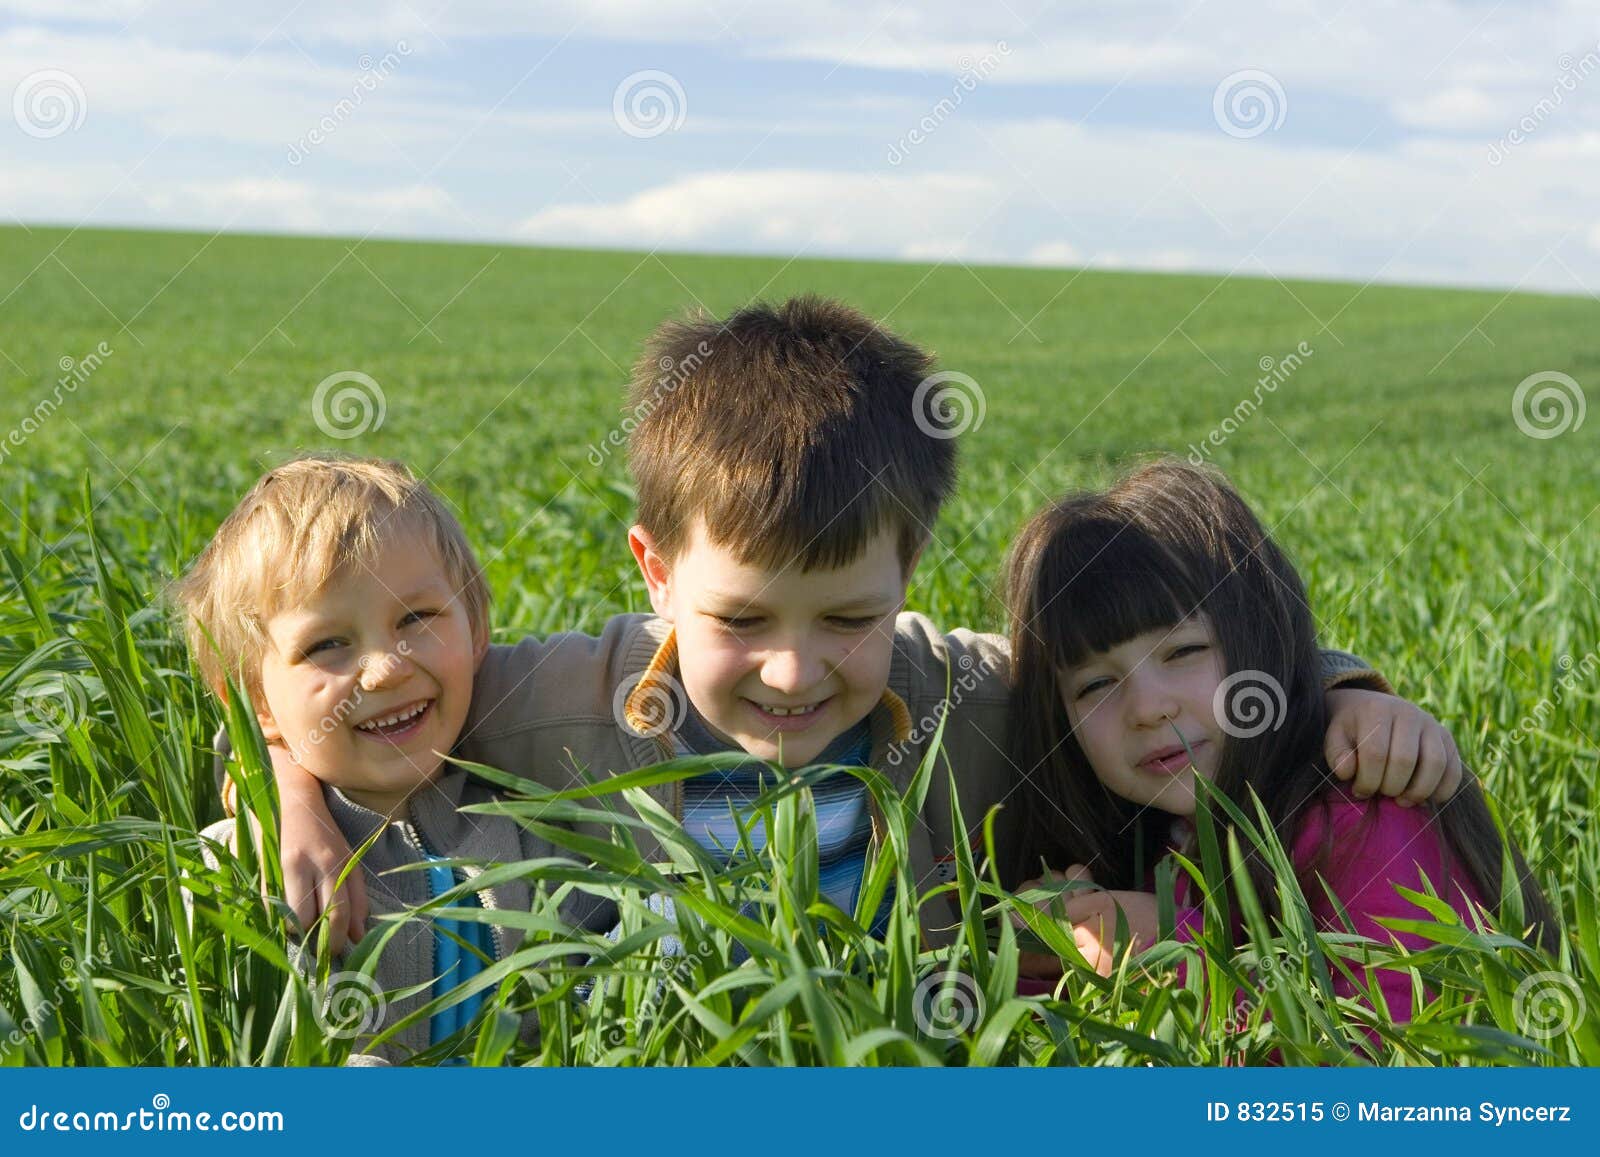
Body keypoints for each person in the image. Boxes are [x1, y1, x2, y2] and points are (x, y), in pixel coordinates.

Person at [249, 298, 1467, 957]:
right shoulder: (565, 696)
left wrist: (1347, 688)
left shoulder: (960, 694)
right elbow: (362, 696)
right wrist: (289, 787)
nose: (793, 668)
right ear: (655, 573)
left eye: (846, 616)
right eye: (740, 618)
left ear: (909, 572)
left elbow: (1150, 673)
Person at [1002, 458, 1557, 1021]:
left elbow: (1388, 1070)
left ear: (1263, 636)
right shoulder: (1165, 844)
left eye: (1183, 651)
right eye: (1096, 684)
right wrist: (1041, 959)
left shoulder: (1362, 821)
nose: (1147, 708)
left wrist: (1171, 958)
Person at [176, 454, 609, 1062]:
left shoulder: (543, 825)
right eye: (327, 645)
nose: (386, 669)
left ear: (476, 626)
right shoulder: (245, 867)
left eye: (418, 618)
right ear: (257, 703)